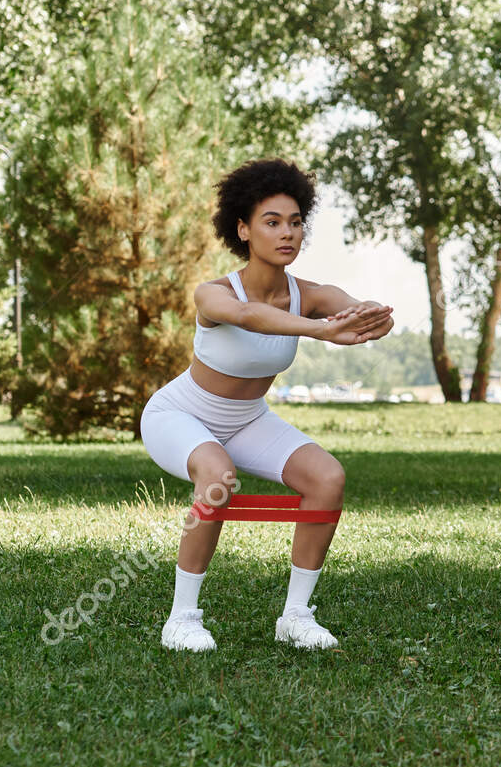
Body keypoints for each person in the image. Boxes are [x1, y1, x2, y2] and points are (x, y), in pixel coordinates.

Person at [140, 158, 394, 653]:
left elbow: (354, 308)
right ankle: (182, 620)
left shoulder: (310, 295)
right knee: (218, 475)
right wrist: (322, 330)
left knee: (327, 478)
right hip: (180, 415)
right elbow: (249, 316)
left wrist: (371, 317)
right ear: (243, 229)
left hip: (247, 420)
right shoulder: (215, 294)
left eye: (295, 222)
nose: (287, 233)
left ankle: (296, 616)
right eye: (272, 222)